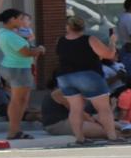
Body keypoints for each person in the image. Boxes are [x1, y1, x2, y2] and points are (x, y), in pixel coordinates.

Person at [54, 15, 127, 144]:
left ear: (68, 27)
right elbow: (109, 55)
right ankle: (112, 137)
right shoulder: (90, 39)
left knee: (75, 108)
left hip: (65, 76)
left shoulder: (60, 41)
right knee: (103, 108)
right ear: (83, 27)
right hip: (88, 75)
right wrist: (112, 42)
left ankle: (79, 138)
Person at [0, 9, 44, 140]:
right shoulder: (9, 35)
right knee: (17, 101)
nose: (23, 21)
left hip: (15, 67)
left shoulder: (4, 32)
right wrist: (40, 49)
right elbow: (26, 52)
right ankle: (13, 131)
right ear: (12, 19)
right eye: (20, 18)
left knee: (21, 100)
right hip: (18, 68)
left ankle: (16, 129)